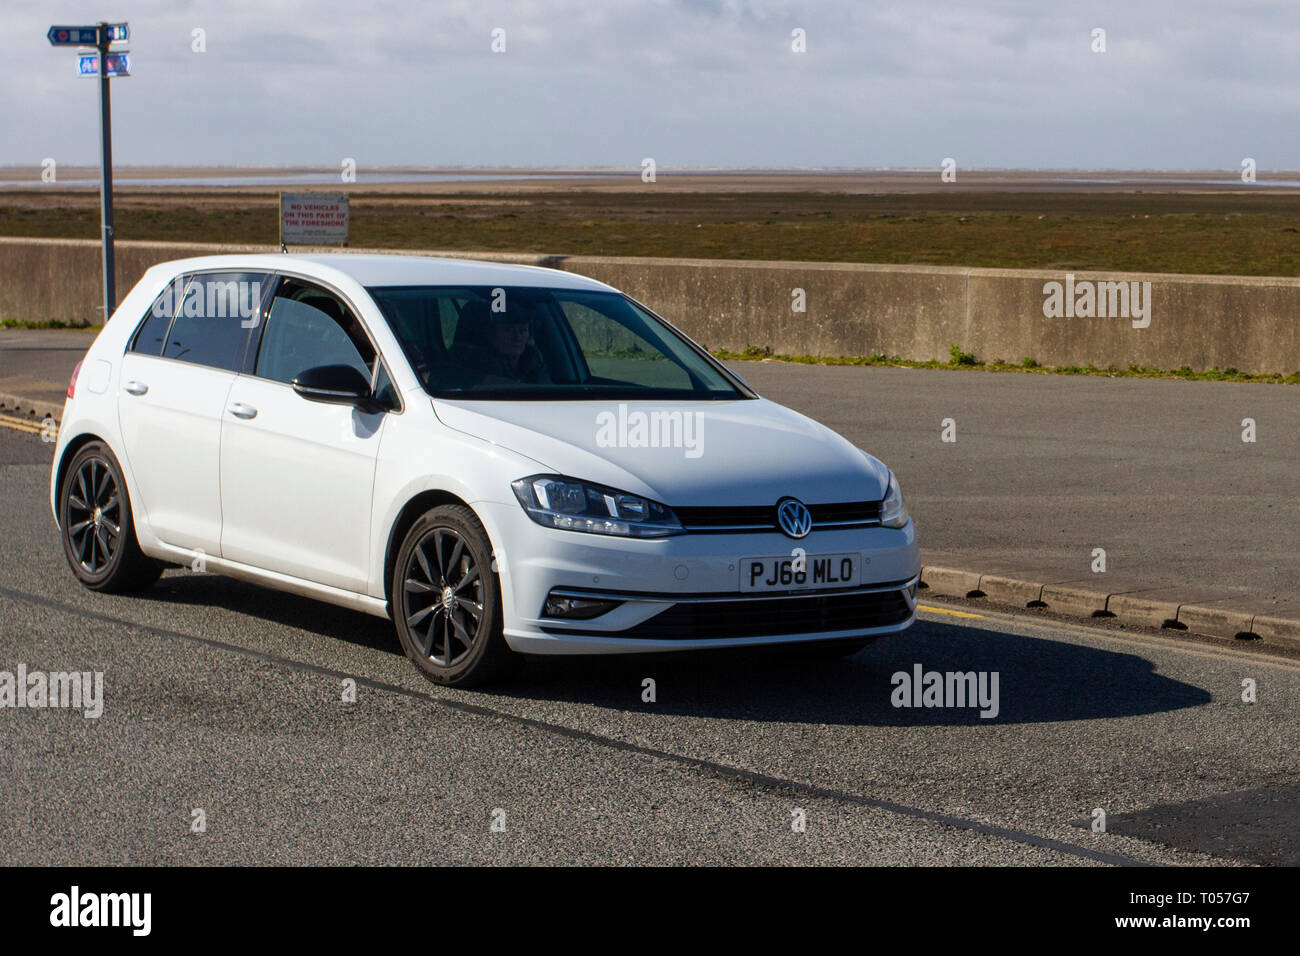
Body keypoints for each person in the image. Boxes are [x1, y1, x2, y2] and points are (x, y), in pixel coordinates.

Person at [449, 300, 549, 386]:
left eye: (522, 330)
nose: (517, 337)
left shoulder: (536, 364)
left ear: (529, 334)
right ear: (492, 334)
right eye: (508, 330)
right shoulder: (473, 367)